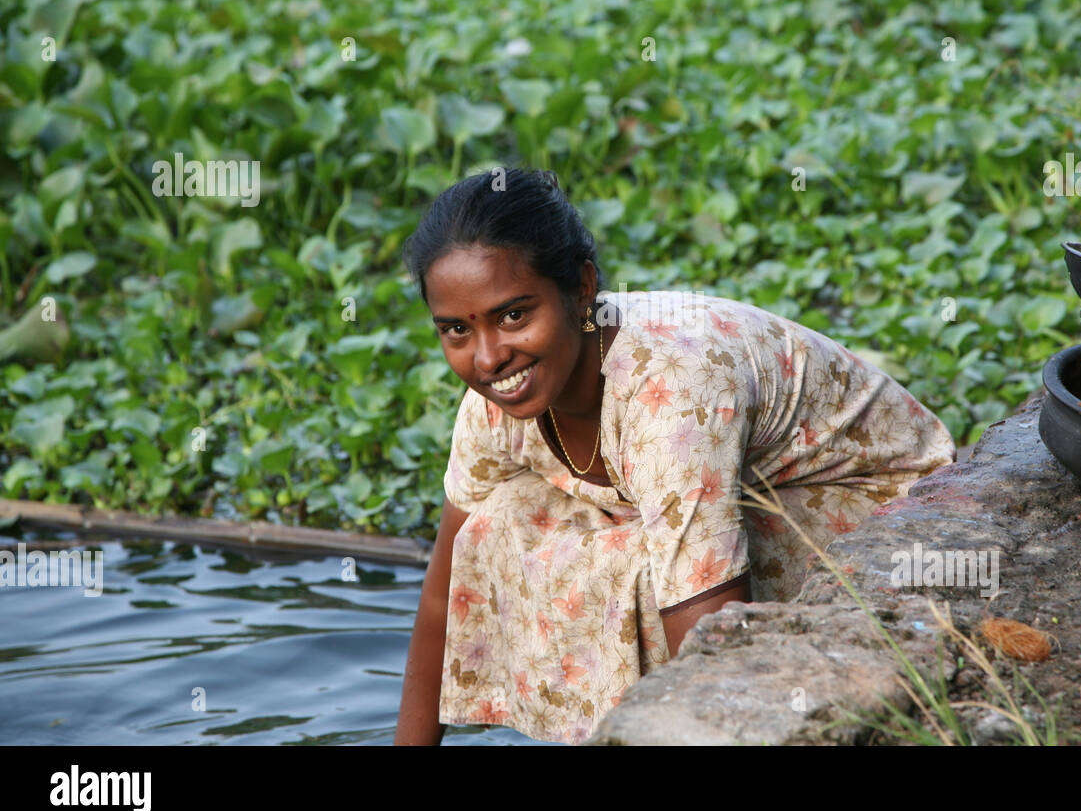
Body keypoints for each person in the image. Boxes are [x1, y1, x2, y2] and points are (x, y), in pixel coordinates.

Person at [393, 167, 956, 745]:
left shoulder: (673, 387)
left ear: (582, 288)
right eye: (457, 330)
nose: (488, 357)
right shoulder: (492, 400)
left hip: (895, 522)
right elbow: (444, 586)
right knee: (495, 526)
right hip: (751, 498)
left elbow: (708, 628)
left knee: (639, 570)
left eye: (515, 315)